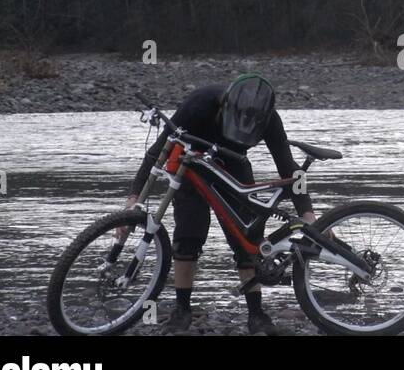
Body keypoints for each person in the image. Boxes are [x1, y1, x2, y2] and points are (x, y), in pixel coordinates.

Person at [125, 74, 314, 335]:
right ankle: (182, 309)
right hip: (191, 167)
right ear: (225, 107)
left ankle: (257, 314)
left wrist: (308, 213)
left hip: (234, 167)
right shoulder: (198, 104)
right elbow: (159, 151)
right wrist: (135, 198)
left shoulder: (269, 118)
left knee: (248, 241)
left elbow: (287, 167)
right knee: (188, 237)